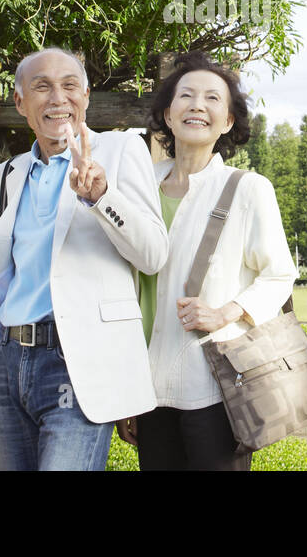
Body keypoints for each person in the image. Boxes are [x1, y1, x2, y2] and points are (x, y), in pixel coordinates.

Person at [0, 47, 168, 470]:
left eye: (69, 85)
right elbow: (5, 272)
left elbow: (153, 254)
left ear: (87, 96)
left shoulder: (122, 150)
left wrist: (101, 196)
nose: (58, 98)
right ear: (20, 102)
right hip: (11, 359)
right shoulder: (8, 174)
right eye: (42, 87)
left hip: (77, 360)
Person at [124, 51, 296, 470]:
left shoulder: (248, 189)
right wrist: (123, 388)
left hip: (217, 388)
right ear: (167, 114)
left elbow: (279, 275)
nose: (197, 105)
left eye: (212, 99)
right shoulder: (136, 189)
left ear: (228, 121)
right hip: (147, 388)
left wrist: (225, 313)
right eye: (186, 96)